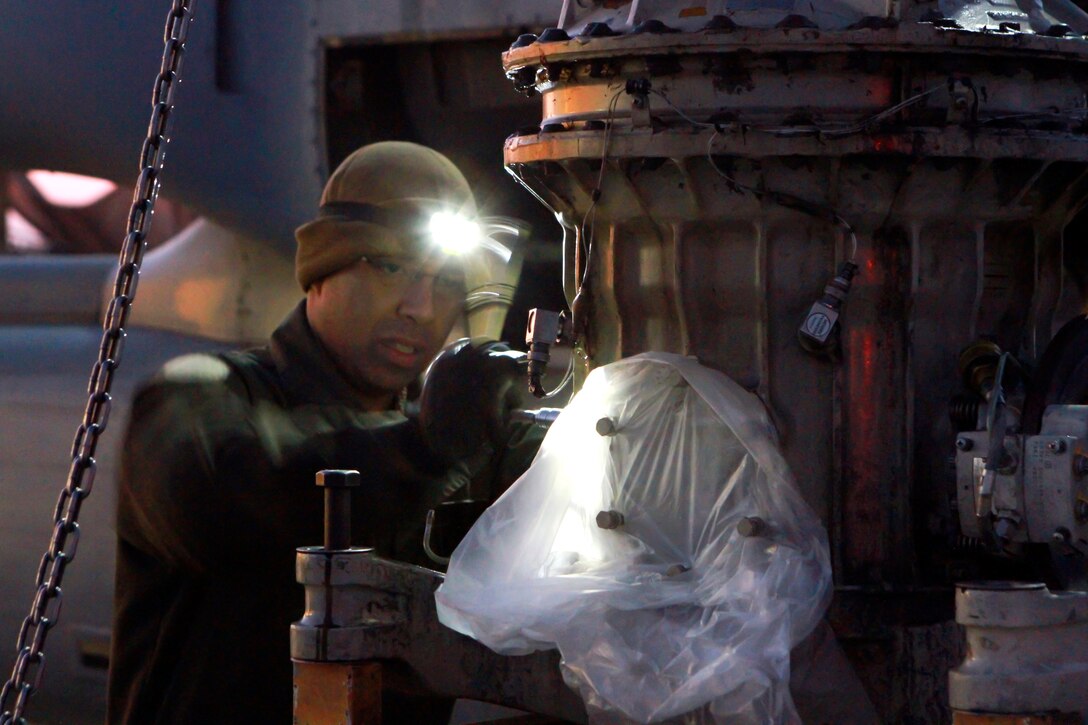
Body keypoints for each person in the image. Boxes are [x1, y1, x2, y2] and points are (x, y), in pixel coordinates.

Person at [106, 142, 535, 724]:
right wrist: (426, 449)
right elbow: (235, 504)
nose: (421, 306)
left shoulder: (449, 447)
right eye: (389, 267)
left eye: (446, 282)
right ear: (320, 273)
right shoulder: (195, 397)